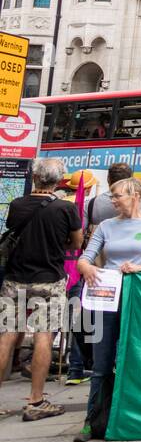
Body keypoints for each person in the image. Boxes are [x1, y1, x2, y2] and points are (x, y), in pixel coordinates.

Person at [74, 177, 141, 441]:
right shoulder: (106, 226)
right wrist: (86, 267)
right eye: (112, 196)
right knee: (102, 362)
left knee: (135, 359)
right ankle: (91, 421)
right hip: (106, 298)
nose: (113, 200)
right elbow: (84, 257)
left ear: (135, 195)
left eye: (117, 195)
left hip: (137, 297)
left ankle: (132, 418)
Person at [0, 158, 83, 422]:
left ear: (34, 177)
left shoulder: (17, 205)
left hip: (14, 279)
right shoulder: (66, 209)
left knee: (7, 336)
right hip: (49, 280)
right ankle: (35, 400)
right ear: (58, 181)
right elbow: (76, 244)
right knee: (43, 337)